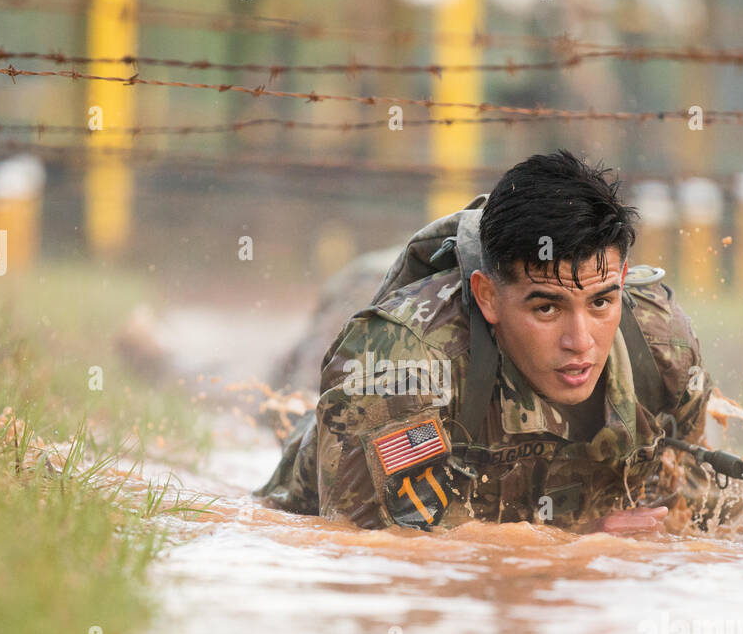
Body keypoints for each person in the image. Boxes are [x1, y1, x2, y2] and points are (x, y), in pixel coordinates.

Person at [256, 149, 714, 534]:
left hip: (532, 494)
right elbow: (379, 551)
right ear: (488, 296)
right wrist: (578, 544)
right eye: (547, 309)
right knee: (286, 399)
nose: (581, 342)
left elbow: (699, 515)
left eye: (600, 303)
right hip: (362, 428)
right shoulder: (400, 362)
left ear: (621, 281)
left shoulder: (662, 346)